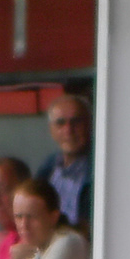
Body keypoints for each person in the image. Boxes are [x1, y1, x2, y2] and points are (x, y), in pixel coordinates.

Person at [38, 87, 93, 224]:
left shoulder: (101, 168)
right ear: (51, 130)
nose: (68, 130)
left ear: (90, 125)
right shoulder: (47, 170)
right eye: (60, 123)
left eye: (76, 122)